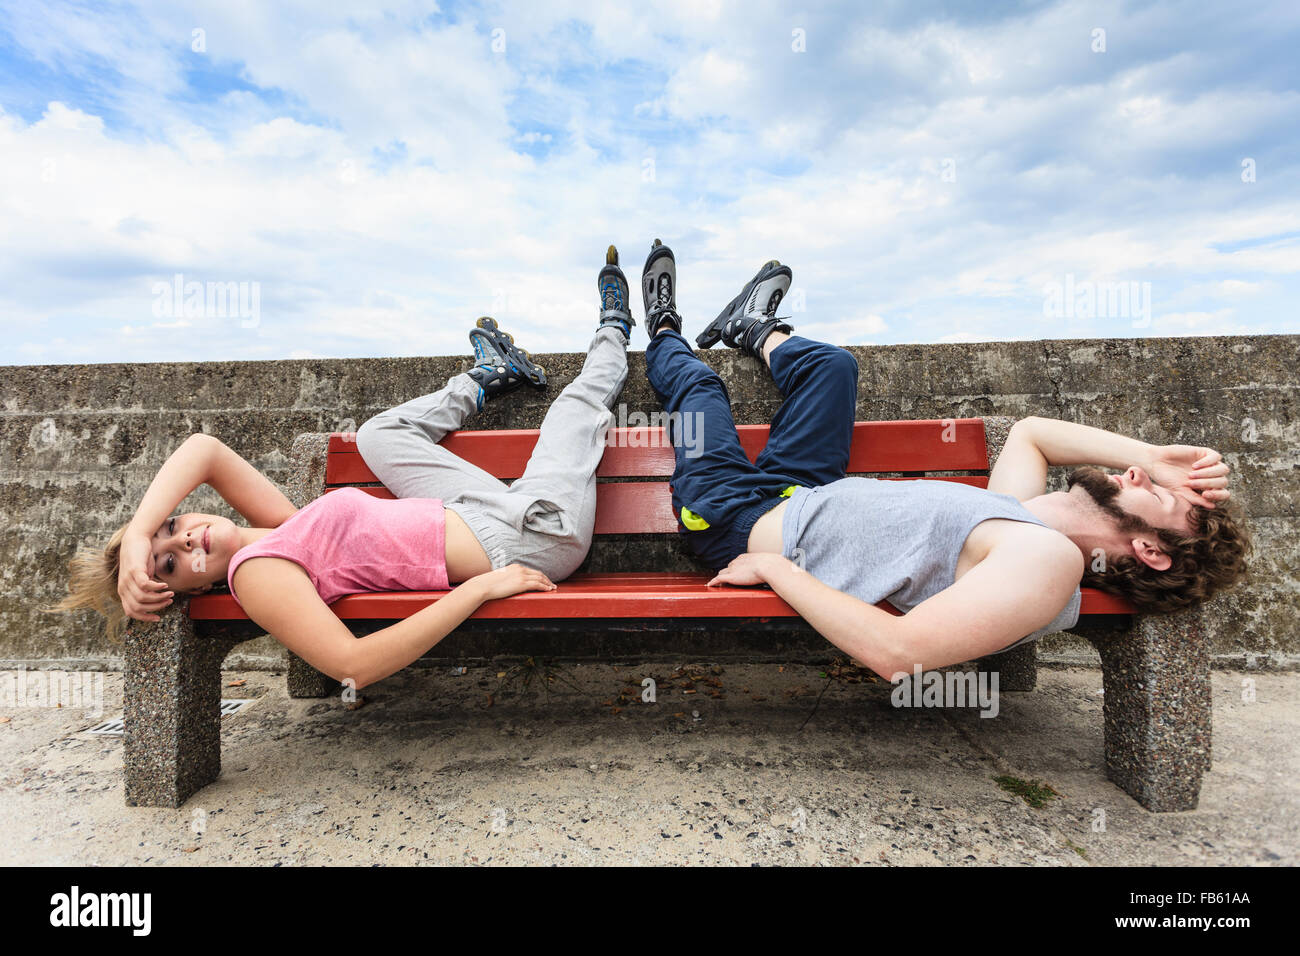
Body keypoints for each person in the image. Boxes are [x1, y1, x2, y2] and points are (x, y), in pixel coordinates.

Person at [638, 240, 1251, 677]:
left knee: (701, 391)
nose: (1138, 475)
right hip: (802, 489)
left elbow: (898, 654)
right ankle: (755, 327)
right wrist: (1153, 457)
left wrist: (776, 572)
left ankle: (663, 330)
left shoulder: (1047, 560)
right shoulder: (1023, 517)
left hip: (736, 518)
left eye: (1157, 495)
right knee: (832, 368)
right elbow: (1032, 434)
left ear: (1150, 550)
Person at [54, 248, 638, 690]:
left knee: (380, 436)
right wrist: (483, 589)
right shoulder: (257, 572)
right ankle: (614, 328)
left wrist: (136, 533)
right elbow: (352, 664)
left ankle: (488, 376)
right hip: (530, 538)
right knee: (572, 409)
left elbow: (204, 451)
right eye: (171, 562)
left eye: (173, 526)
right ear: (196, 588)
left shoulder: (281, 530)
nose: (186, 539)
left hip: (474, 511)